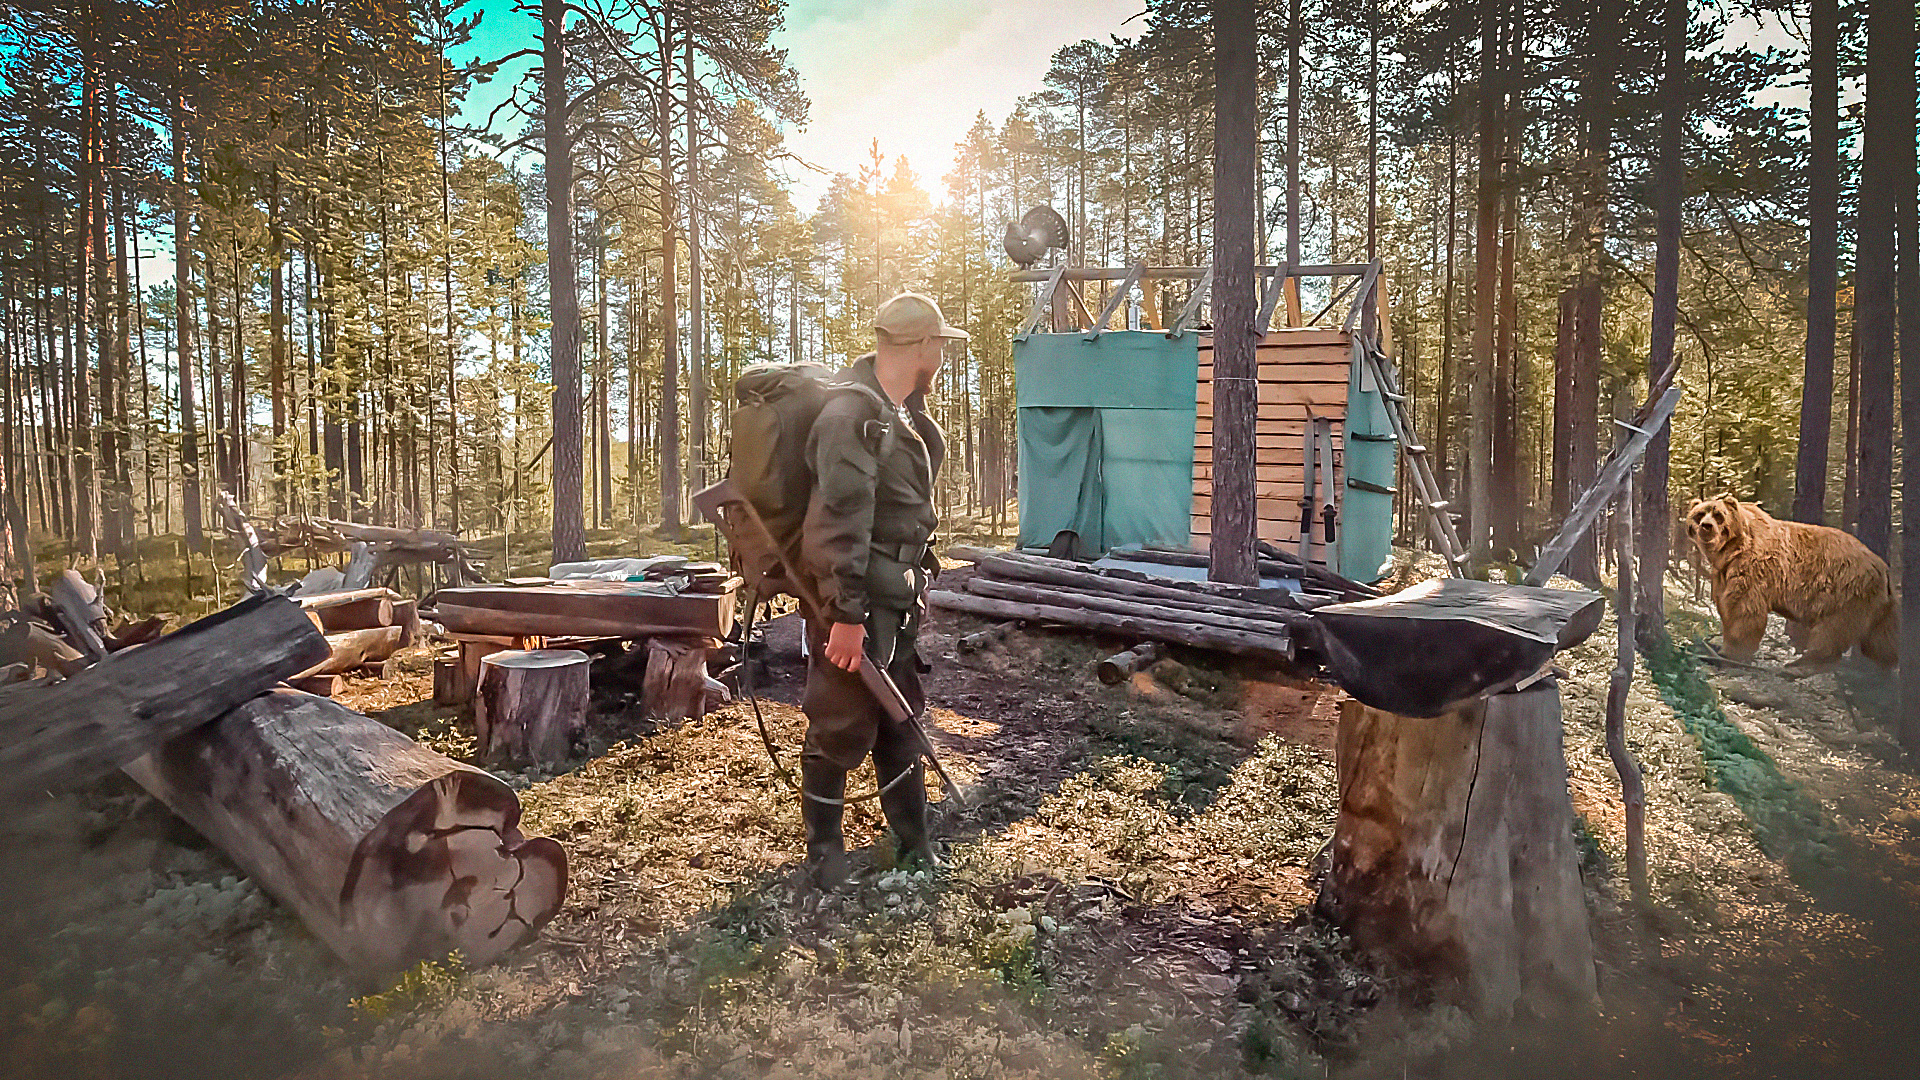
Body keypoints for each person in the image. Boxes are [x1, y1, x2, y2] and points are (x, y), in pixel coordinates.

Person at [797, 291, 964, 887]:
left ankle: (914, 843)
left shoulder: (901, 413)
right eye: (940, 344)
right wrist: (845, 616)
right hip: (855, 602)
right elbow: (842, 521)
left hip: (894, 598)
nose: (944, 354)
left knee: (901, 718)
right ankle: (824, 855)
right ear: (920, 347)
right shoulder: (851, 416)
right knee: (841, 726)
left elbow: (898, 509)